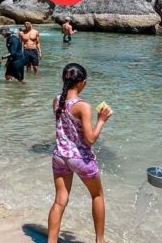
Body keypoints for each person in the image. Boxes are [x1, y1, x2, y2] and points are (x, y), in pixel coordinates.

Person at [48, 63, 112, 243]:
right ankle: (100, 240)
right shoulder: (83, 106)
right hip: (79, 158)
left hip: (59, 156)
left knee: (60, 201)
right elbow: (90, 139)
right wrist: (101, 120)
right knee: (97, 195)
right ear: (82, 83)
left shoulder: (56, 99)